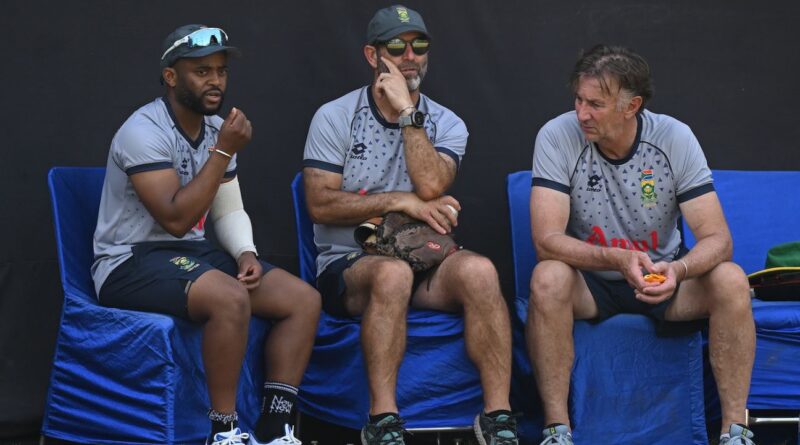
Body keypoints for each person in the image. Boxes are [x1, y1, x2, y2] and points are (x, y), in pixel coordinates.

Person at [91, 24, 320, 445]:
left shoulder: (216, 129)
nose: (215, 80)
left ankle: (275, 427)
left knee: (302, 300)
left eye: (220, 70)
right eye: (201, 71)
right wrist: (224, 150)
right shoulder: (143, 131)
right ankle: (224, 430)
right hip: (128, 261)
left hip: (188, 254)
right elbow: (176, 219)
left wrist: (246, 252)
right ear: (171, 76)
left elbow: (227, 208)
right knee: (229, 298)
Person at [301, 5, 519, 445]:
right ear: (372, 55)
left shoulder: (447, 122)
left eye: (419, 46)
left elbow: (432, 183)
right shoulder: (335, 116)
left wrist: (407, 112)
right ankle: (382, 419)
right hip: (350, 262)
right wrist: (401, 201)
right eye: (396, 47)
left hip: (424, 258)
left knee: (481, 271)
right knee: (392, 274)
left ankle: (498, 417)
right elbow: (319, 204)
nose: (410, 56)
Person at [527, 44, 756, 445]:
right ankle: (557, 431)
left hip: (662, 276)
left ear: (631, 106)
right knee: (547, 277)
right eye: (578, 100)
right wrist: (615, 259)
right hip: (593, 282)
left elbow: (719, 240)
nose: (581, 114)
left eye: (595, 104)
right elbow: (546, 241)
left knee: (732, 279)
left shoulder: (674, 137)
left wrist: (679, 270)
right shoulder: (556, 135)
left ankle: (735, 431)